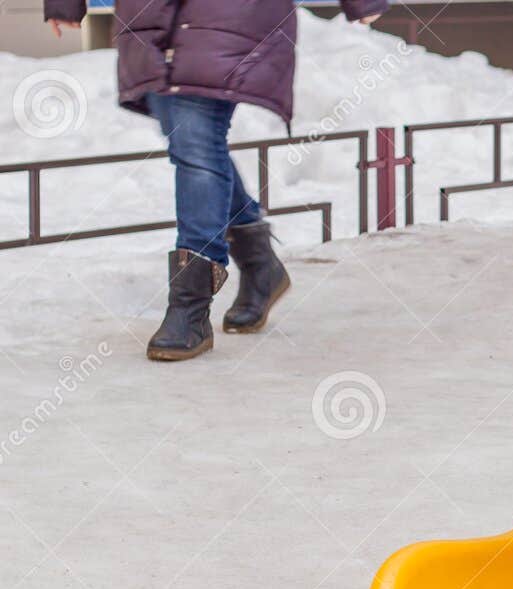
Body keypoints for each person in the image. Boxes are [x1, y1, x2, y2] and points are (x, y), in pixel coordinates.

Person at [45, 0, 388, 360]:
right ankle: (260, 264)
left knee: (195, 140)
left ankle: (189, 309)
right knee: (191, 140)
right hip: (151, 19)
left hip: (227, 13)